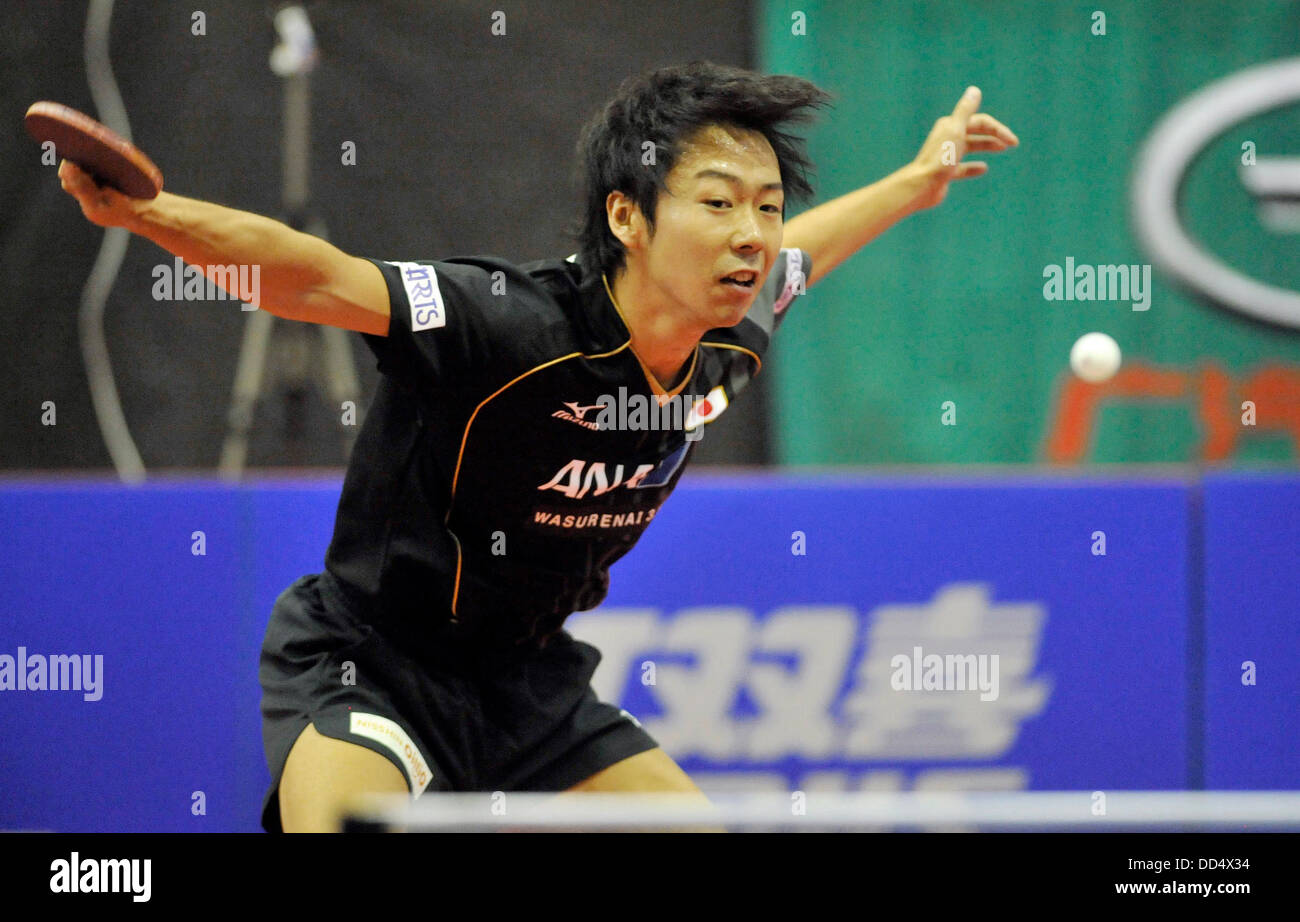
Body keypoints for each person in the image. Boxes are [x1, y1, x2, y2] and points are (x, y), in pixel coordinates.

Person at [57, 61, 1017, 832]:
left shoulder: (726, 338)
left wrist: (914, 182)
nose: (754, 236)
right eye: (719, 204)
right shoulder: (506, 323)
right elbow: (315, 280)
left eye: (764, 206)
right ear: (626, 217)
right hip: (373, 660)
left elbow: (808, 252)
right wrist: (144, 214)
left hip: (529, 680)